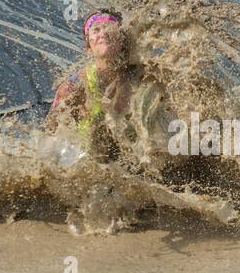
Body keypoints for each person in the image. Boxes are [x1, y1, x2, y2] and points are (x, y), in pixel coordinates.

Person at [45, 10, 170, 167]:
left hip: (135, 161)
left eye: (109, 28)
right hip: (90, 161)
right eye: (96, 30)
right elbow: (50, 129)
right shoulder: (75, 85)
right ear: (88, 47)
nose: (103, 33)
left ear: (122, 40)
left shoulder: (143, 75)